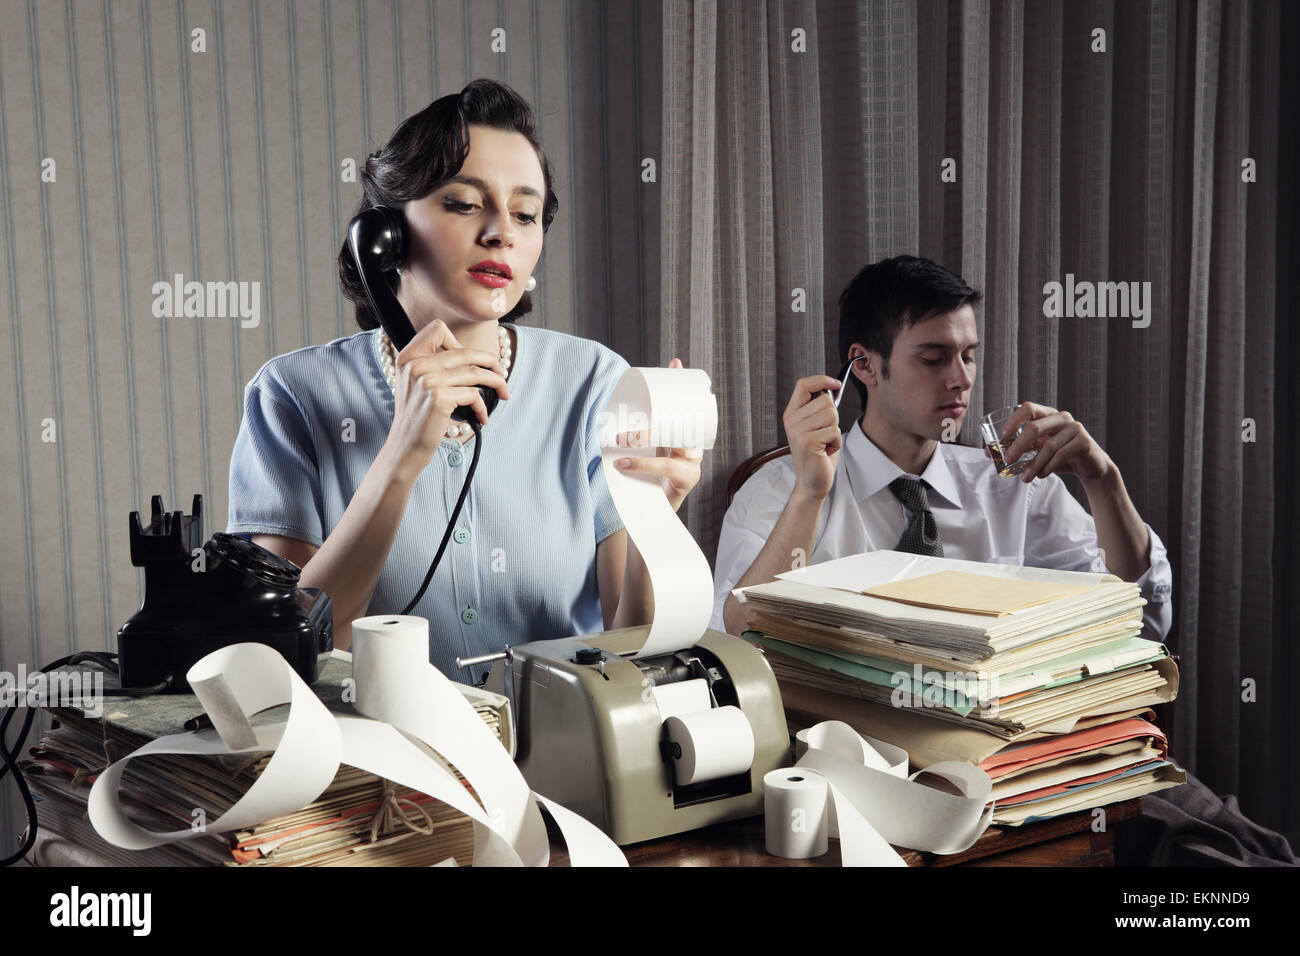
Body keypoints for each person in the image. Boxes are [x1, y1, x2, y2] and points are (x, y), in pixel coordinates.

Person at [226, 79, 702, 682]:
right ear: (384, 235)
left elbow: (627, 648)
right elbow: (280, 654)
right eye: (463, 203)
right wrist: (402, 453)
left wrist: (658, 513)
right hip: (371, 759)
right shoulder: (291, 396)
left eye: (526, 213)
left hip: (560, 757)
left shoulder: (593, 383)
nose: (502, 230)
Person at [711, 254, 1172, 640]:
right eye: (934, 359)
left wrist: (1103, 480)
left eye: (968, 356)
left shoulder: (1015, 486)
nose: (962, 378)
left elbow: (1142, 621)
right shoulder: (781, 490)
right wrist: (810, 494)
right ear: (865, 366)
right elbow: (735, 641)